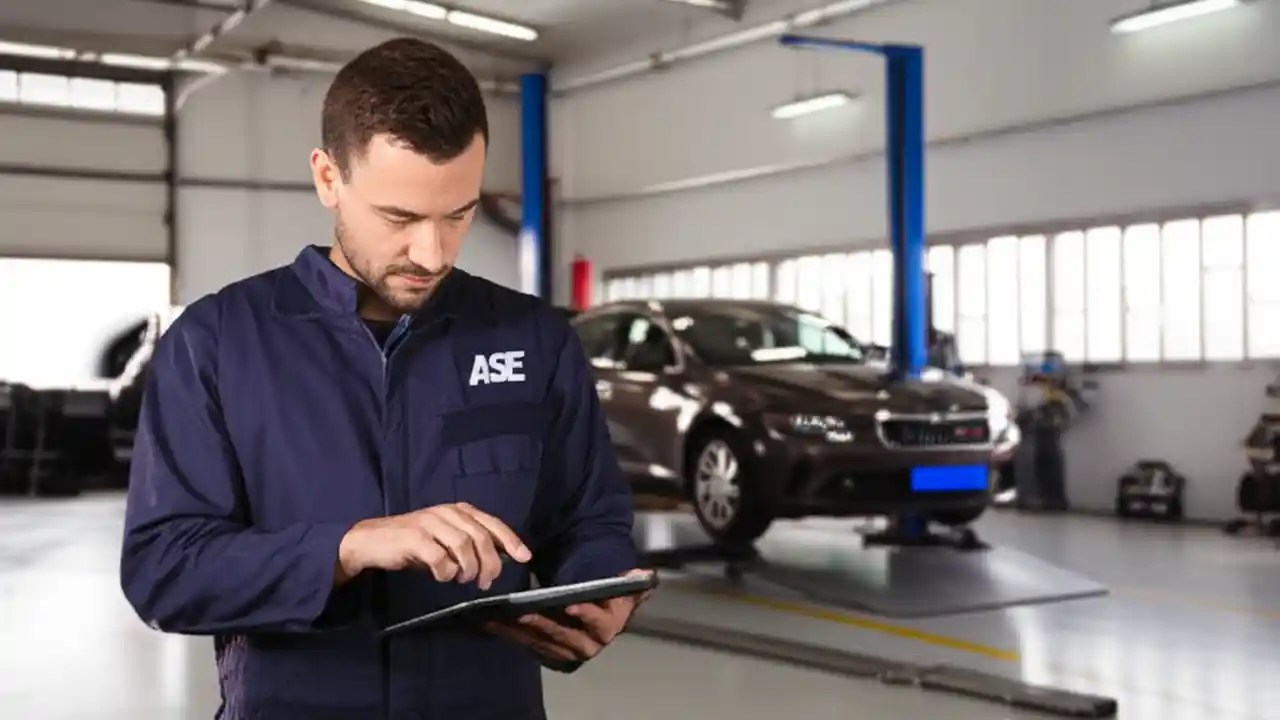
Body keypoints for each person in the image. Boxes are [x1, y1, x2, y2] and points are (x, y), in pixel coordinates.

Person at [119, 38, 648, 719]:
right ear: (327, 178)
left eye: (457, 215)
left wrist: (595, 594)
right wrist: (347, 548)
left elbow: (591, 518)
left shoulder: (533, 339)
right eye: (399, 218)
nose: (431, 253)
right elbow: (164, 570)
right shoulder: (217, 343)